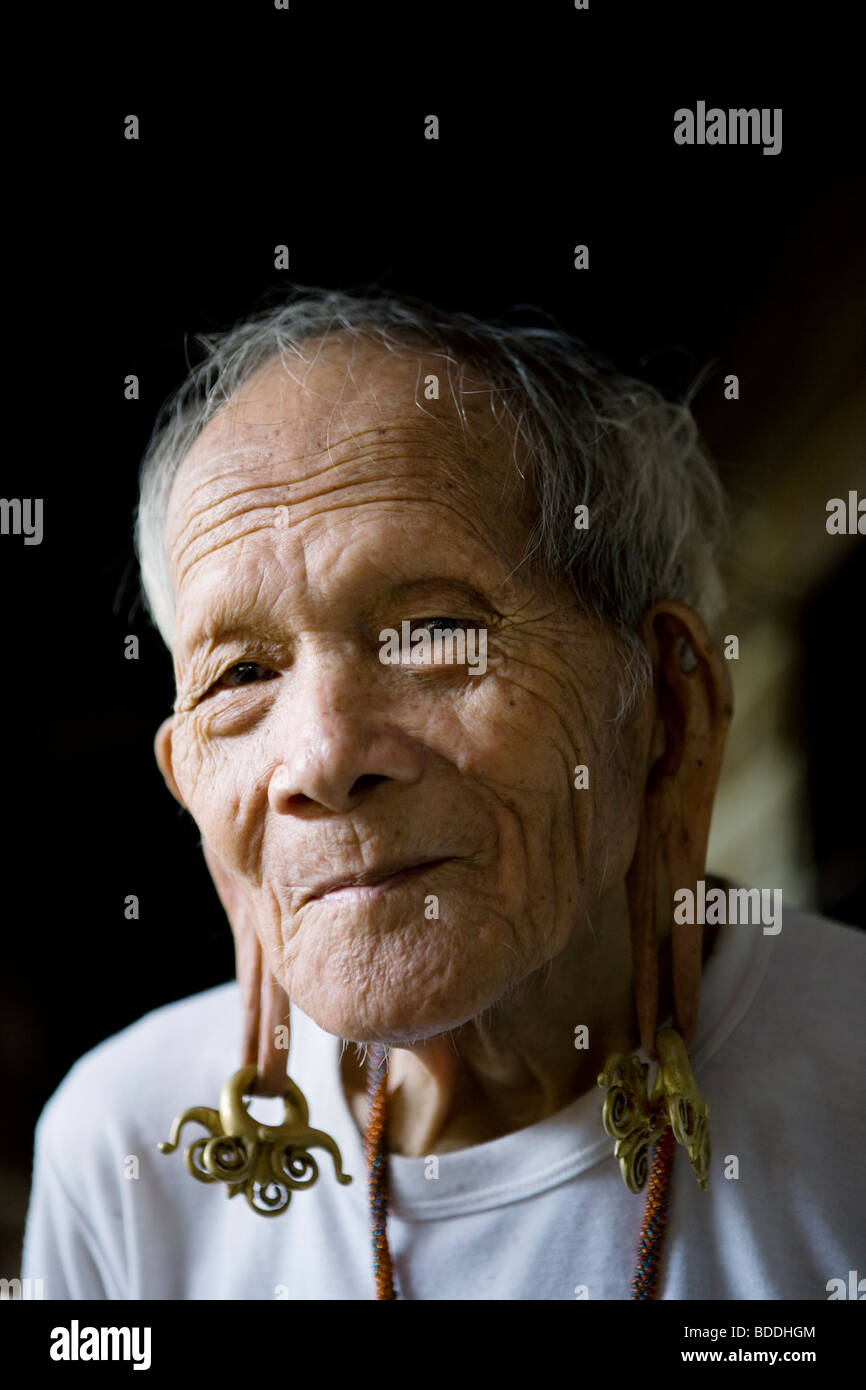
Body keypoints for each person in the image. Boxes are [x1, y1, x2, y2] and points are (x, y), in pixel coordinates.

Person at [21, 288, 866, 1300]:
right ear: (185, 778)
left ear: (663, 707)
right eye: (241, 676)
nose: (323, 758)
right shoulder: (122, 1149)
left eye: (431, 632)